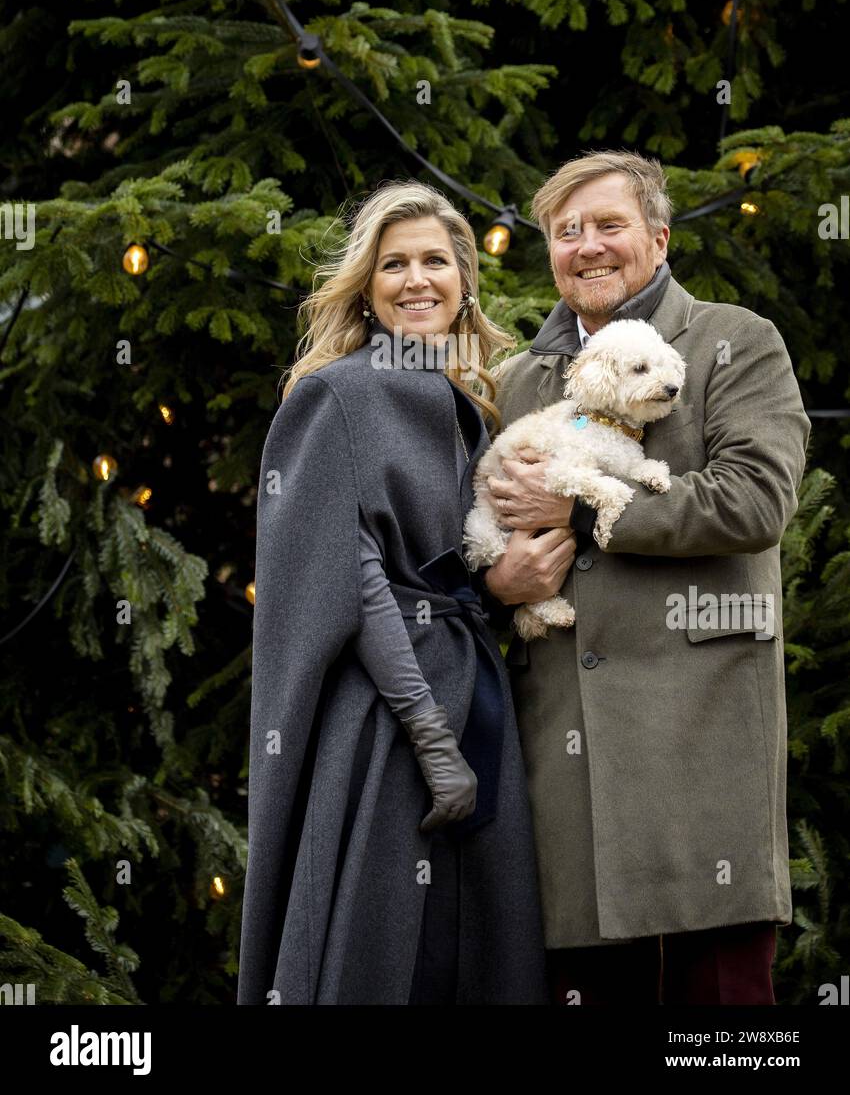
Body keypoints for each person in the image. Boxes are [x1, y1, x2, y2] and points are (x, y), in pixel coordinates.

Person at [481, 148, 811, 1006]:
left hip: (699, 747)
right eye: (565, 232)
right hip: (566, 759)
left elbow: (755, 500)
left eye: (609, 225)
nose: (587, 246)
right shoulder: (516, 380)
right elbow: (476, 528)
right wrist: (499, 584)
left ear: (659, 238)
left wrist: (586, 513)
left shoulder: (737, 342)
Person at [236, 180, 570, 1005]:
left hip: (473, 698)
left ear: (463, 281)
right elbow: (354, 581)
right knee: (387, 951)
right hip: (386, 721)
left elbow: (447, 574)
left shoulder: (470, 404)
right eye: (393, 264)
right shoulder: (335, 395)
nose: (416, 279)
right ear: (367, 285)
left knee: (479, 952)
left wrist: (497, 591)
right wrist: (428, 736)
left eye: (434, 261)